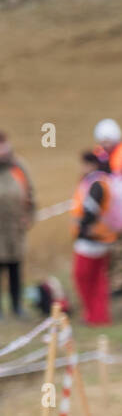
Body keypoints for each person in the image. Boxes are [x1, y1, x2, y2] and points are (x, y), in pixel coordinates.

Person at [70, 148, 122, 326]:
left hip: (91, 239)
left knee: (84, 278)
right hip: (103, 238)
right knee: (99, 280)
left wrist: (82, 229)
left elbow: (90, 209)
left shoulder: (95, 184)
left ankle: (93, 315)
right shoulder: (105, 181)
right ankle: (100, 316)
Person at [92, 118, 122, 297]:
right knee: (106, 248)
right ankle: (108, 281)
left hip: (121, 212)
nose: (105, 144)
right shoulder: (98, 154)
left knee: (119, 248)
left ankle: (119, 283)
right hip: (104, 214)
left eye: (108, 140)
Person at [0, 131, 36, 320]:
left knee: (16, 269)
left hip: (15, 230)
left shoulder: (19, 166)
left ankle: (17, 306)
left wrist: (29, 216)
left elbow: (30, 193)